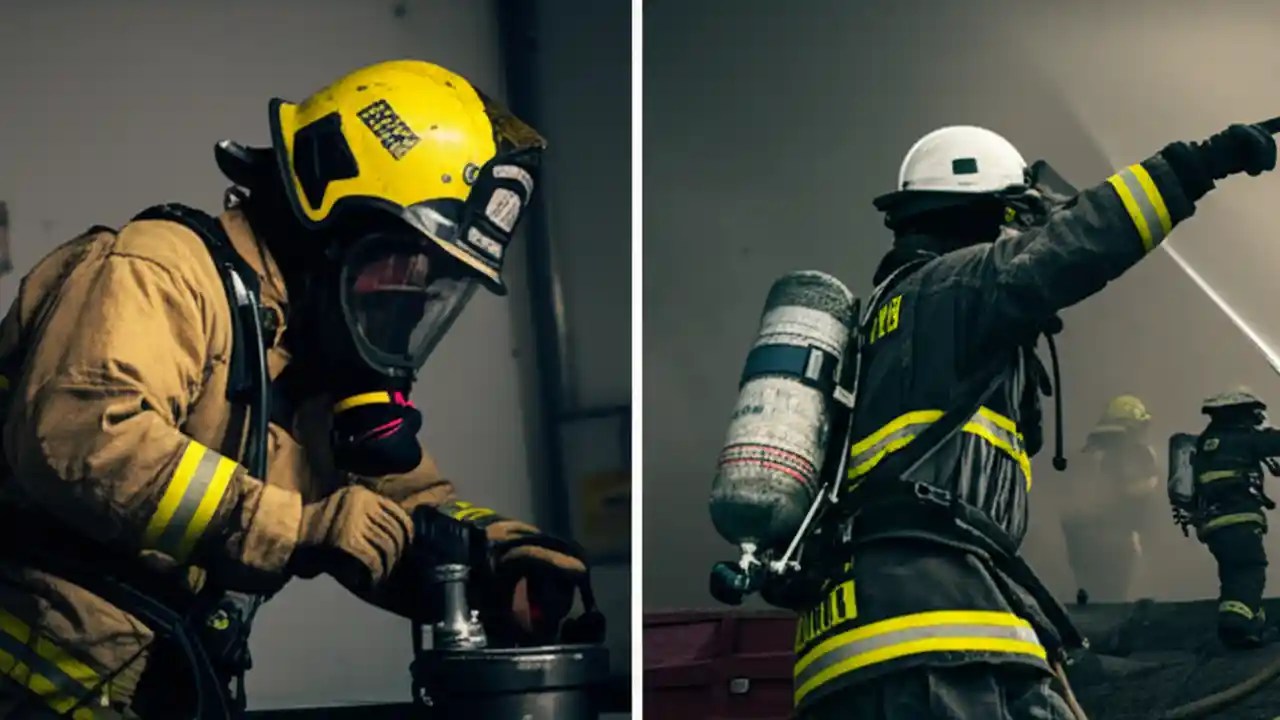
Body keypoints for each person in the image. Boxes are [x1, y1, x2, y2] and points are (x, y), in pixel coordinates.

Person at [0, 59, 590, 719]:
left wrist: (502, 555)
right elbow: (85, 439)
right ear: (331, 219)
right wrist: (302, 527)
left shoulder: (303, 348)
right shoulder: (164, 271)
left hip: (154, 690)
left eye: (430, 283)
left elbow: (402, 503)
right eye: (401, 261)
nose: (410, 298)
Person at [789, 122, 1277, 720]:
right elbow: (1083, 240)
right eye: (1017, 220)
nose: (1026, 234)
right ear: (983, 216)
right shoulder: (960, 283)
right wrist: (1201, 163)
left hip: (856, 633)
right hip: (935, 630)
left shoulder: (878, 325)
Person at [1189, 387, 1280, 648]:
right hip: (1239, 518)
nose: (1257, 418)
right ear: (1239, 414)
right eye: (1253, 413)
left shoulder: (1207, 443)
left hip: (1214, 525)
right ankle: (1238, 625)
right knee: (1250, 569)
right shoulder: (1242, 438)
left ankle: (1243, 623)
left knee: (1233, 573)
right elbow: (1274, 442)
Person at [1060, 394, 1162, 602]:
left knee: (1093, 597)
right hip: (1114, 539)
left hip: (1080, 538)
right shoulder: (1132, 452)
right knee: (1112, 601)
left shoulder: (1089, 451)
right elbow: (1134, 495)